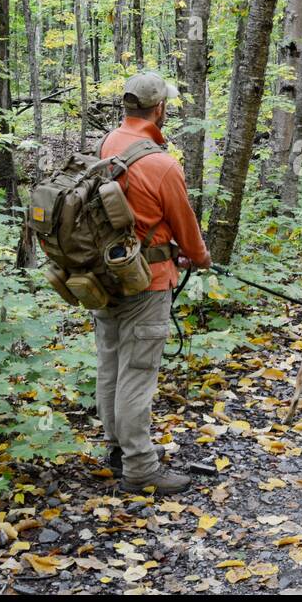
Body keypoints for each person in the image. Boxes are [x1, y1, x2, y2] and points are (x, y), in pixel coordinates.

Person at [94, 71, 210, 495]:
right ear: (159, 108)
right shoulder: (162, 165)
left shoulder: (108, 144)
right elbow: (187, 228)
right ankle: (141, 467)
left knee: (110, 363)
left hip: (102, 275)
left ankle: (116, 449)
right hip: (147, 282)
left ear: (127, 107)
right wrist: (199, 257)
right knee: (137, 372)